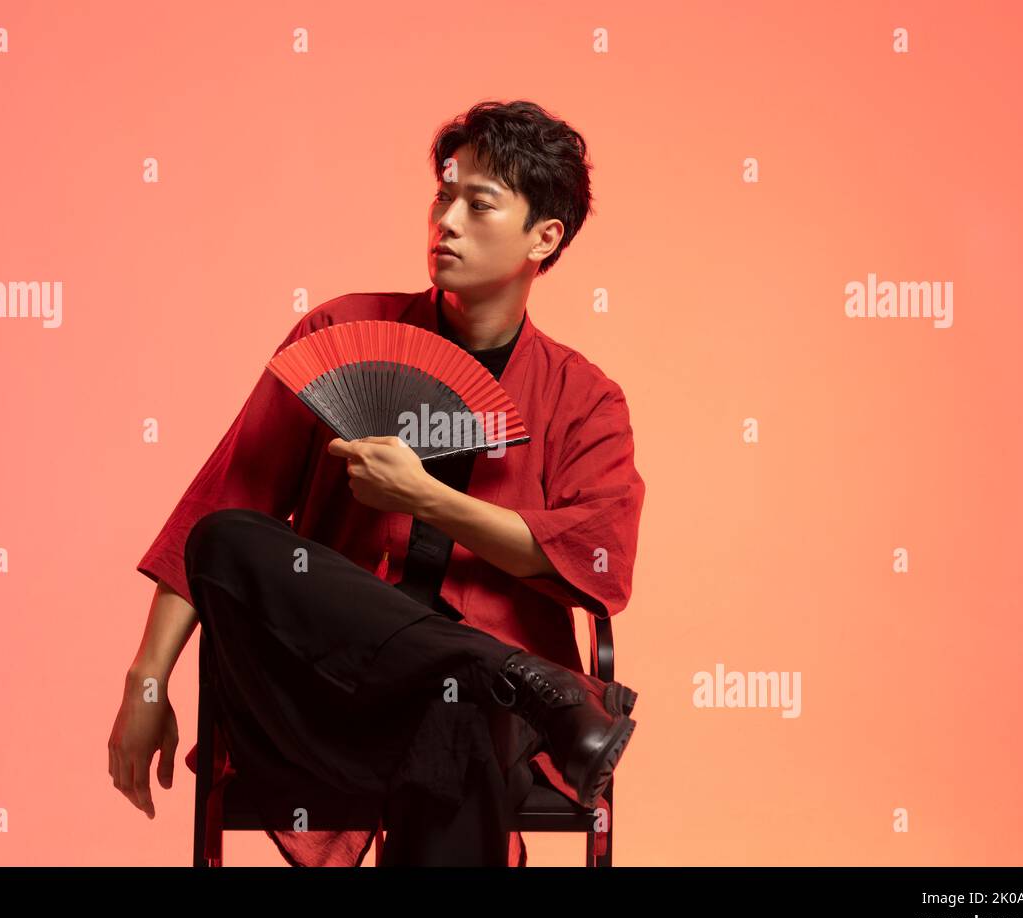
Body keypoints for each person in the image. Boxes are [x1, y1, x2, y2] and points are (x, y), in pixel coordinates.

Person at [108, 100, 647, 866]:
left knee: (459, 714)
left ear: (544, 236)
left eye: (478, 203)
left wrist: (426, 499)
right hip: (326, 687)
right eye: (443, 195)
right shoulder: (338, 333)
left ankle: (493, 674)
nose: (446, 221)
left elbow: (597, 559)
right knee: (229, 539)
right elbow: (222, 505)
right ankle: (518, 677)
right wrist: (147, 679)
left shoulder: (584, 397)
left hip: (475, 721)